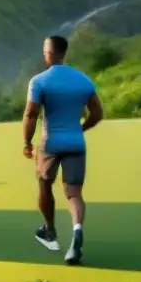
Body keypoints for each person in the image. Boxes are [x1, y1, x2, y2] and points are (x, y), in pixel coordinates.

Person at [22, 35, 103, 265]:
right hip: (76, 142)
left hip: (51, 143)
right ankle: (77, 230)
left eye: (45, 51)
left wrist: (27, 143)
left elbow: (30, 114)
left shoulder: (39, 81)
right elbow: (97, 113)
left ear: (50, 53)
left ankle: (49, 231)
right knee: (74, 194)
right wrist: (81, 128)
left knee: (44, 183)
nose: (44, 54)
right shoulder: (83, 80)